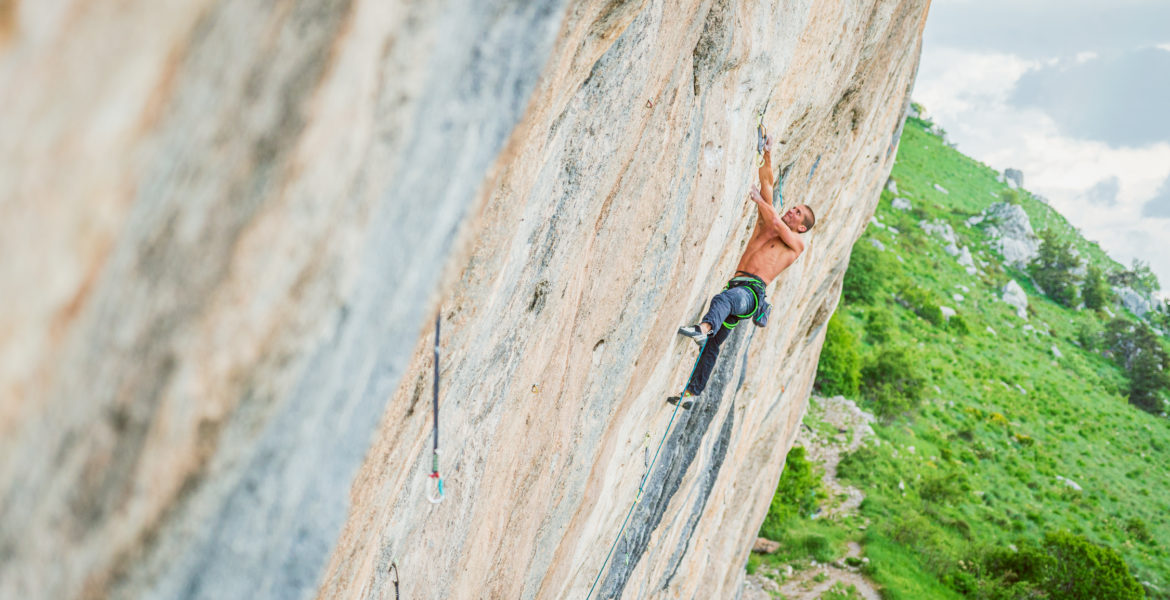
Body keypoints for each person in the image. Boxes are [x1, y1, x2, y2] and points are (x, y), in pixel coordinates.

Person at [669, 135, 816, 408]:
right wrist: (768, 155)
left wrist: (761, 201)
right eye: (793, 208)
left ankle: (704, 327)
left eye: (797, 213)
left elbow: (770, 210)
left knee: (722, 302)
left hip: (750, 294)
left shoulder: (796, 244)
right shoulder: (768, 223)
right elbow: (768, 183)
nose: (791, 211)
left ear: (802, 227)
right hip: (737, 287)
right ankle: (691, 393)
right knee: (713, 345)